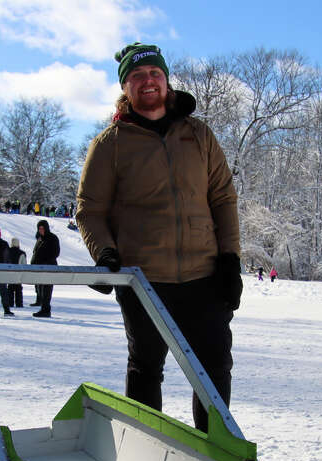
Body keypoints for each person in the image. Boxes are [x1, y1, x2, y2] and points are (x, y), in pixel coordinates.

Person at [76, 42, 241, 432]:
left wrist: (230, 259)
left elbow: (223, 197)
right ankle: (146, 453)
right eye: (137, 76)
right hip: (144, 280)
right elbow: (90, 209)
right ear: (126, 88)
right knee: (146, 367)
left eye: (154, 74)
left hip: (204, 276)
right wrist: (106, 254)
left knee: (214, 368)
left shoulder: (199, 135)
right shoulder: (110, 145)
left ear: (166, 81)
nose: (147, 81)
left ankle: (217, 453)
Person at [30, 218, 59, 317]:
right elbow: (36, 253)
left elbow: (55, 252)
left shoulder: (52, 238)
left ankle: (46, 310)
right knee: (40, 290)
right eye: (39, 228)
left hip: (48, 267)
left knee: (46, 290)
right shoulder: (39, 239)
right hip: (39, 268)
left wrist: (44, 260)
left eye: (43, 228)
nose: (41, 230)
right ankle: (43, 308)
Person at [5, 236, 27, 308]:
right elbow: (24, 264)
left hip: (10, 274)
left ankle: (10, 303)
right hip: (18, 274)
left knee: (10, 289)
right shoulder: (22, 253)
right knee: (18, 289)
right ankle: (19, 304)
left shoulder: (8, 252)